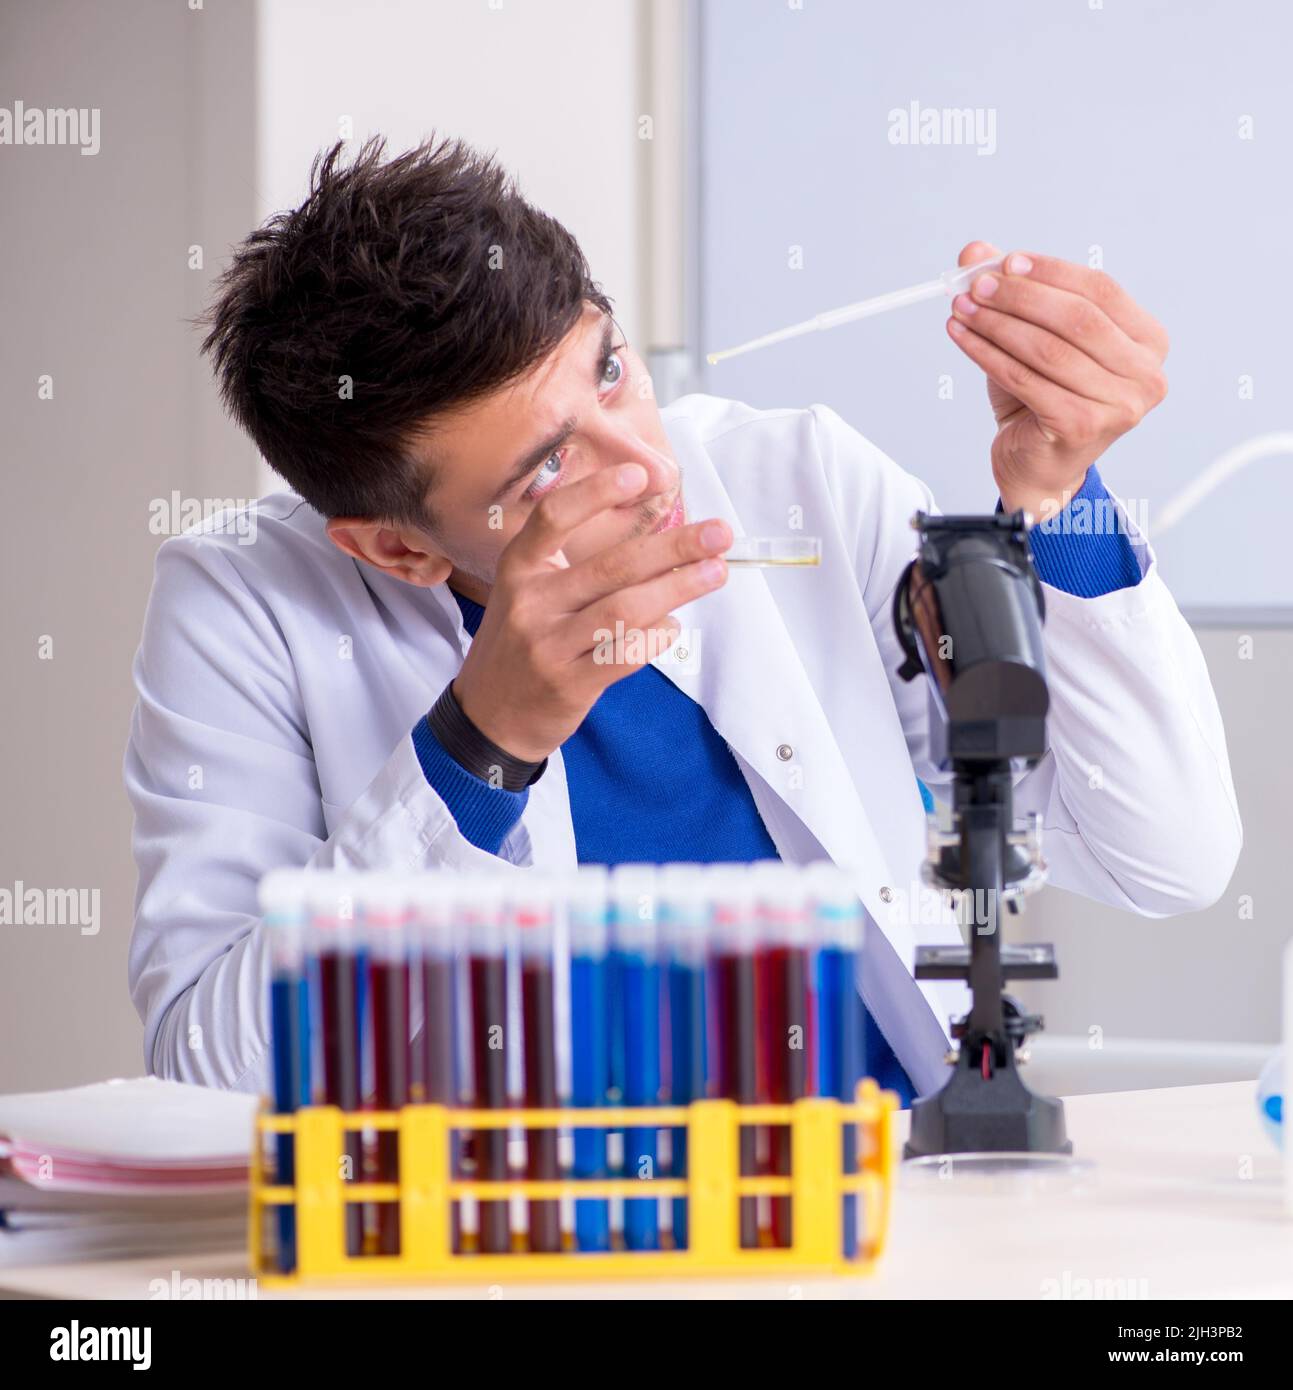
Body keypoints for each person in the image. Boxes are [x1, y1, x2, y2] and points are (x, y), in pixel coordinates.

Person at [125, 137, 1241, 1097]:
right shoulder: (245, 604)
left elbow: (1164, 857)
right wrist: (484, 742)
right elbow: (208, 1073)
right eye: (549, 464)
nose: (649, 470)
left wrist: (1062, 501)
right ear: (399, 547)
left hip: (882, 1212)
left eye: (608, 372)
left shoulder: (796, 478)